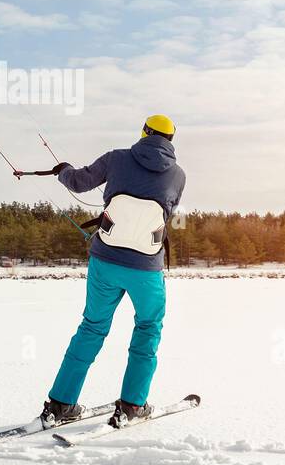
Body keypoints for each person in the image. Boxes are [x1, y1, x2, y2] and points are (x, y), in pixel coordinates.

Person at [42, 114, 186, 428]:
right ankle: (133, 405)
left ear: (144, 132)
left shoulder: (116, 158)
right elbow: (167, 211)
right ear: (171, 140)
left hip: (104, 262)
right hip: (146, 270)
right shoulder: (178, 175)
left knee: (91, 327)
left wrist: (63, 171)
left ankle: (60, 404)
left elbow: (78, 182)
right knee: (148, 329)